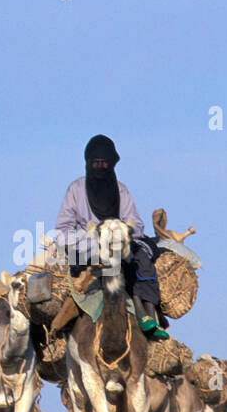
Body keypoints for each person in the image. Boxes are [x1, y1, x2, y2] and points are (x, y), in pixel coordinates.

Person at [55, 134, 168, 339]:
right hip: (86, 249)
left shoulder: (121, 190)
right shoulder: (76, 190)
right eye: (95, 163)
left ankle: (147, 314)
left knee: (141, 256)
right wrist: (92, 240)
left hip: (119, 245)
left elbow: (135, 222)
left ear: (112, 164)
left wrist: (121, 233)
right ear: (88, 163)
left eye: (104, 163)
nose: (100, 167)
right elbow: (63, 230)